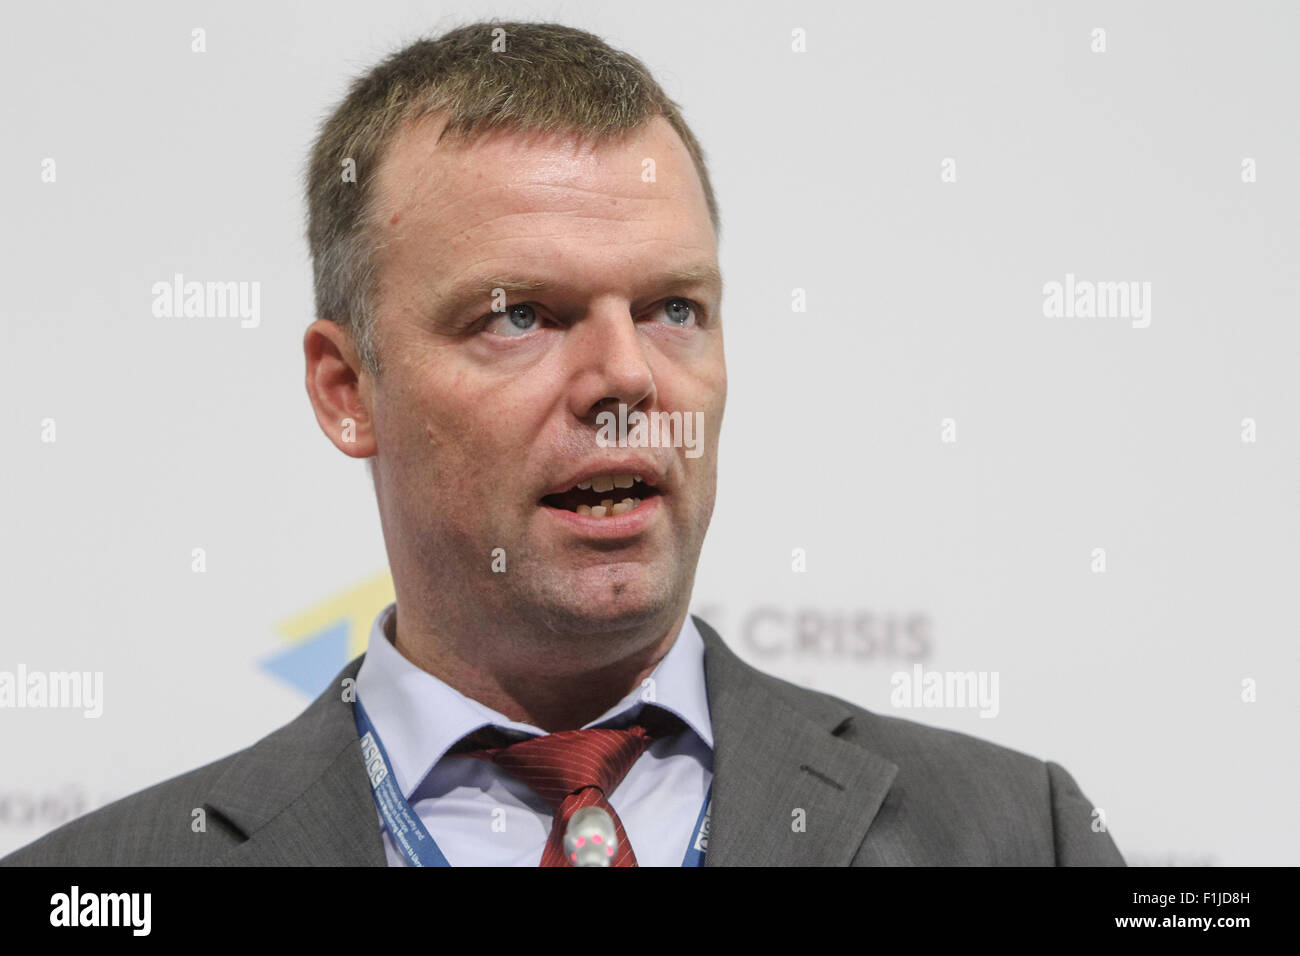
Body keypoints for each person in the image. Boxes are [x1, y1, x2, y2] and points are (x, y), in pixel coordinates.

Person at [3, 19, 1123, 867]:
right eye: (519, 315)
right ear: (347, 390)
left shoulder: (1019, 833)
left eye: (673, 307)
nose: (626, 378)